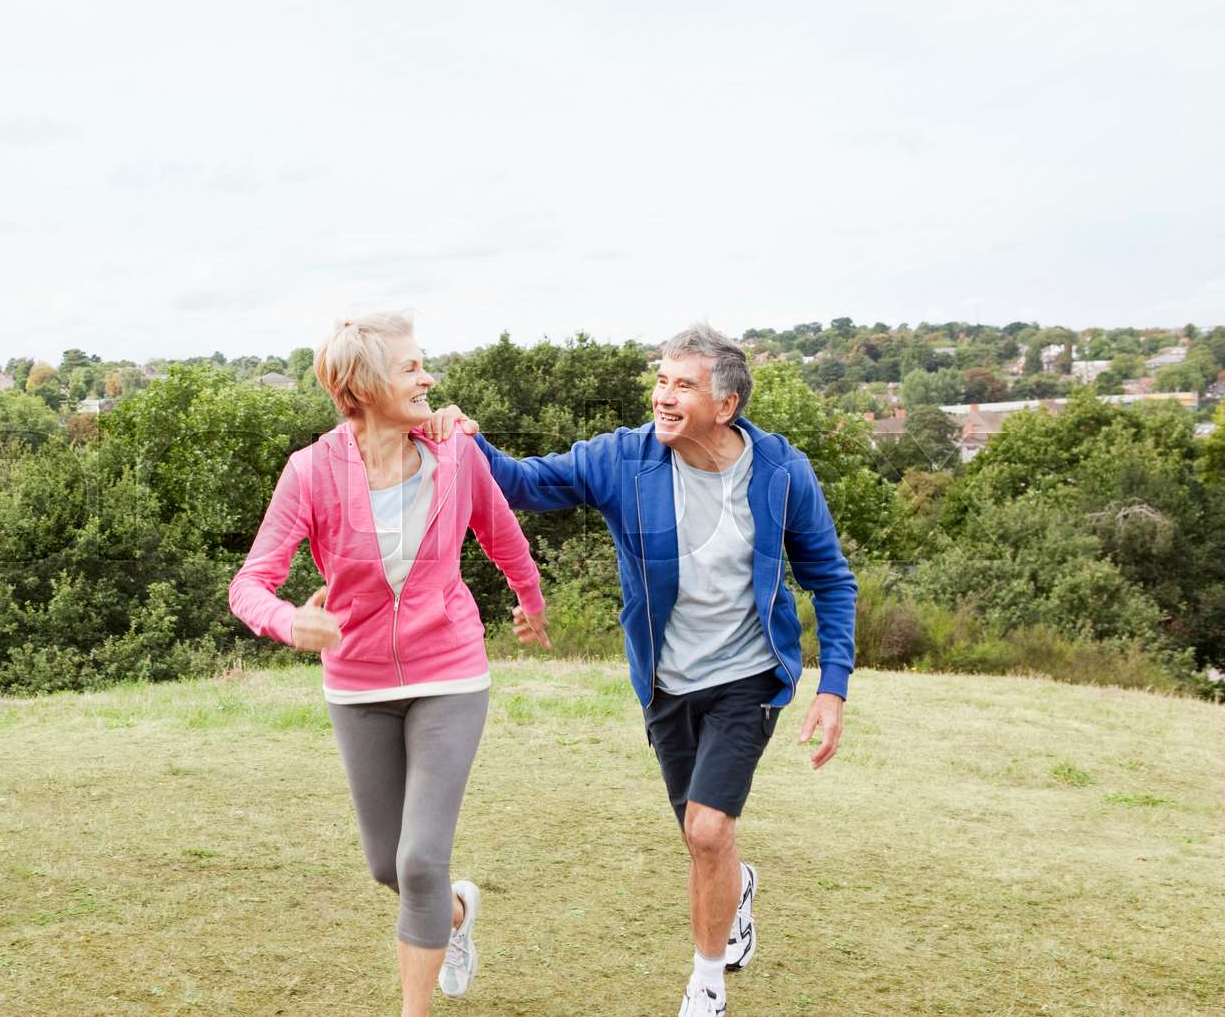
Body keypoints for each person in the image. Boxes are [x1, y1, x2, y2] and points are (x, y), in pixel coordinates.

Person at [426, 322, 857, 1017]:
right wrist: (469, 442)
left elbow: (832, 581)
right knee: (700, 832)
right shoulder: (624, 460)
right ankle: (736, 885)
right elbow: (523, 483)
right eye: (660, 379)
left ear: (726, 404)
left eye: (682, 384)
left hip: (749, 678)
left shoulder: (781, 473)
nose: (662, 395)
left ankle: (706, 983)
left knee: (707, 829)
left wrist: (832, 685)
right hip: (665, 682)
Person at [229, 311, 551, 1017]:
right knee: (388, 865)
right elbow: (248, 584)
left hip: (451, 672)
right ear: (363, 387)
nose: (427, 377)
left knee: (419, 860)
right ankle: (454, 915)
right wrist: (290, 620)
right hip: (358, 683)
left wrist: (530, 602)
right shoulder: (310, 472)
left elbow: (502, 536)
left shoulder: (457, 453)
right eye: (410, 367)